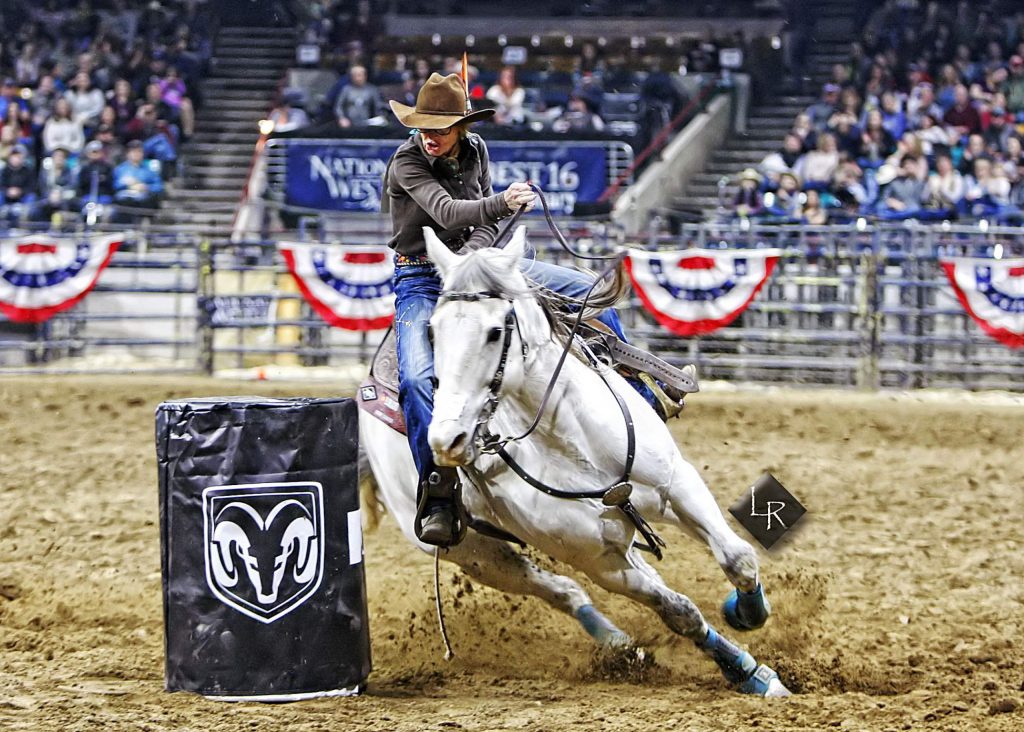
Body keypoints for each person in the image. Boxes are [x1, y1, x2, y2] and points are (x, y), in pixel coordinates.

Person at [382, 73, 668, 547]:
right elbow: (448, 211)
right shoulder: (406, 161)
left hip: (476, 264)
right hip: (421, 275)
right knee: (415, 378)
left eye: (441, 128)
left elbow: (484, 227)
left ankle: (636, 393)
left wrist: (471, 263)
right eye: (424, 127)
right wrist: (502, 202)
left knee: (588, 291)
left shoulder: (476, 150)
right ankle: (439, 492)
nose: (430, 137)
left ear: (461, 128)